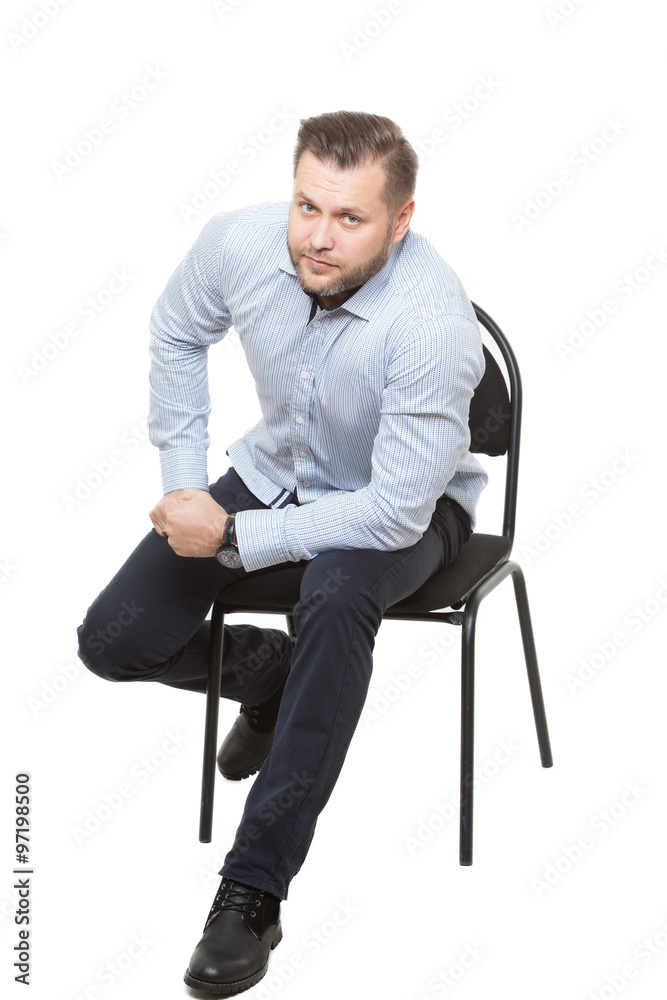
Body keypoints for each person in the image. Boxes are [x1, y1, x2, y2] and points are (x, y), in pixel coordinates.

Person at [77, 110, 488, 996]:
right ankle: (267, 675)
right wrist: (191, 489)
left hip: (403, 509)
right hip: (276, 475)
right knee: (113, 639)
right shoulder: (239, 242)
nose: (319, 237)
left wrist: (231, 537)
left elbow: (387, 514)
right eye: (308, 207)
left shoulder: (430, 322)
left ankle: (251, 893)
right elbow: (177, 332)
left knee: (338, 594)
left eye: (351, 218)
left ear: (401, 219)